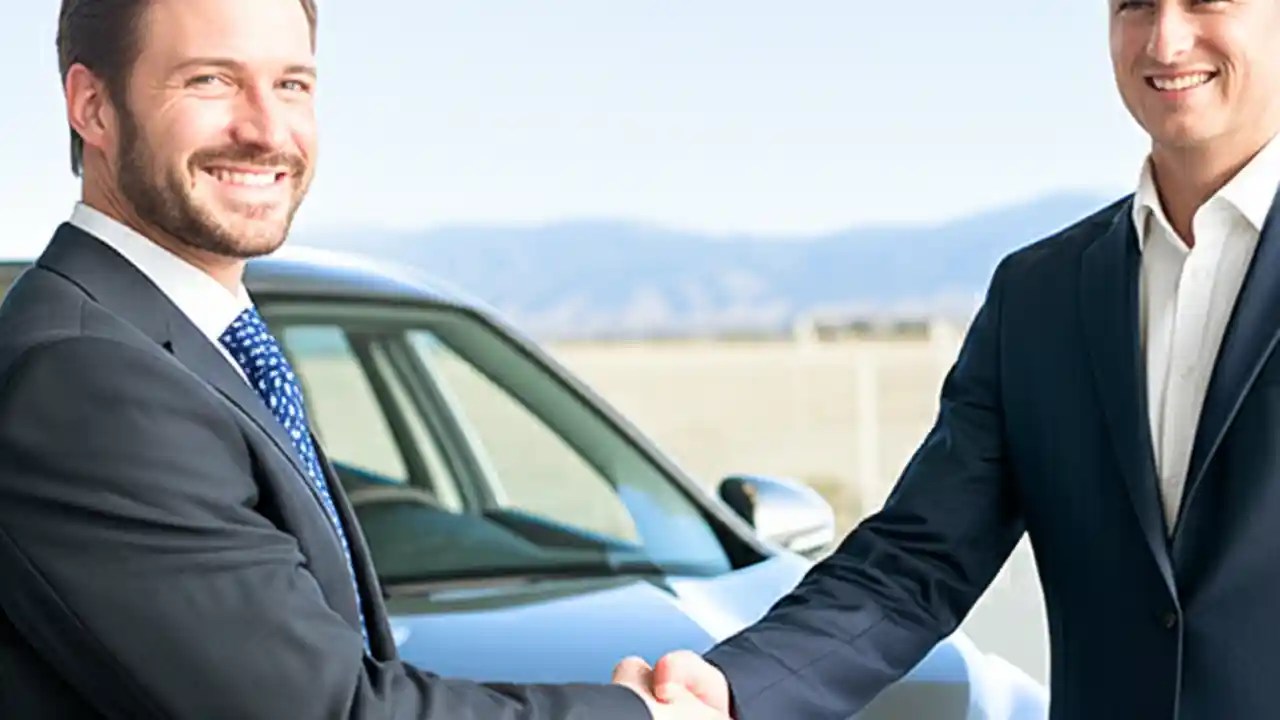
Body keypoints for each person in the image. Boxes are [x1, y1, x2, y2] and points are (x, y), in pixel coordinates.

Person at [0, 1, 726, 718]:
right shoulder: (85, 375)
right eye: (210, 81)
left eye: (292, 84)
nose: (265, 129)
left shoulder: (196, 345)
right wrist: (635, 714)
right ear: (92, 106)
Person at [622, 0, 1280, 717]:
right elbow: (914, 565)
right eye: (1134, 6)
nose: (1165, 39)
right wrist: (733, 686)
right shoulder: (1040, 296)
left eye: (1206, 1)